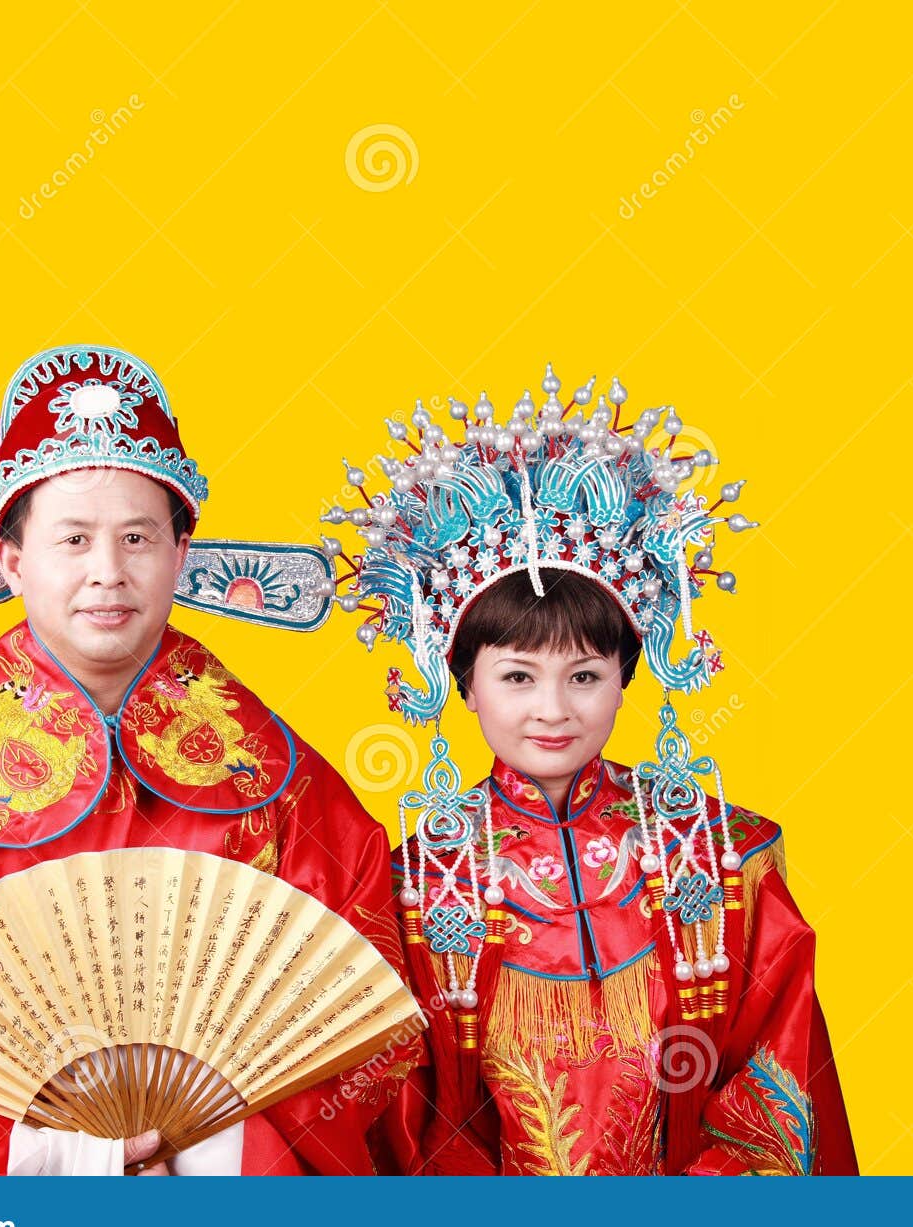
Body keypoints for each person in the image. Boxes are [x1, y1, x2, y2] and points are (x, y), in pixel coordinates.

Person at [0, 344, 413, 1176]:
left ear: (181, 555)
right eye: (73, 539)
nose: (107, 573)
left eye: (137, 537)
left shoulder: (284, 789)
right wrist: (53, 1155)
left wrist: (210, 1138)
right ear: (13, 562)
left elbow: (370, 1042)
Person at [323, 366, 858, 1175]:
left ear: (627, 679)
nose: (552, 709)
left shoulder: (721, 856)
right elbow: (406, 1110)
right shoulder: (417, 884)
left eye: (584, 675)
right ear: (461, 684)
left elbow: (778, 1071)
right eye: (516, 676)